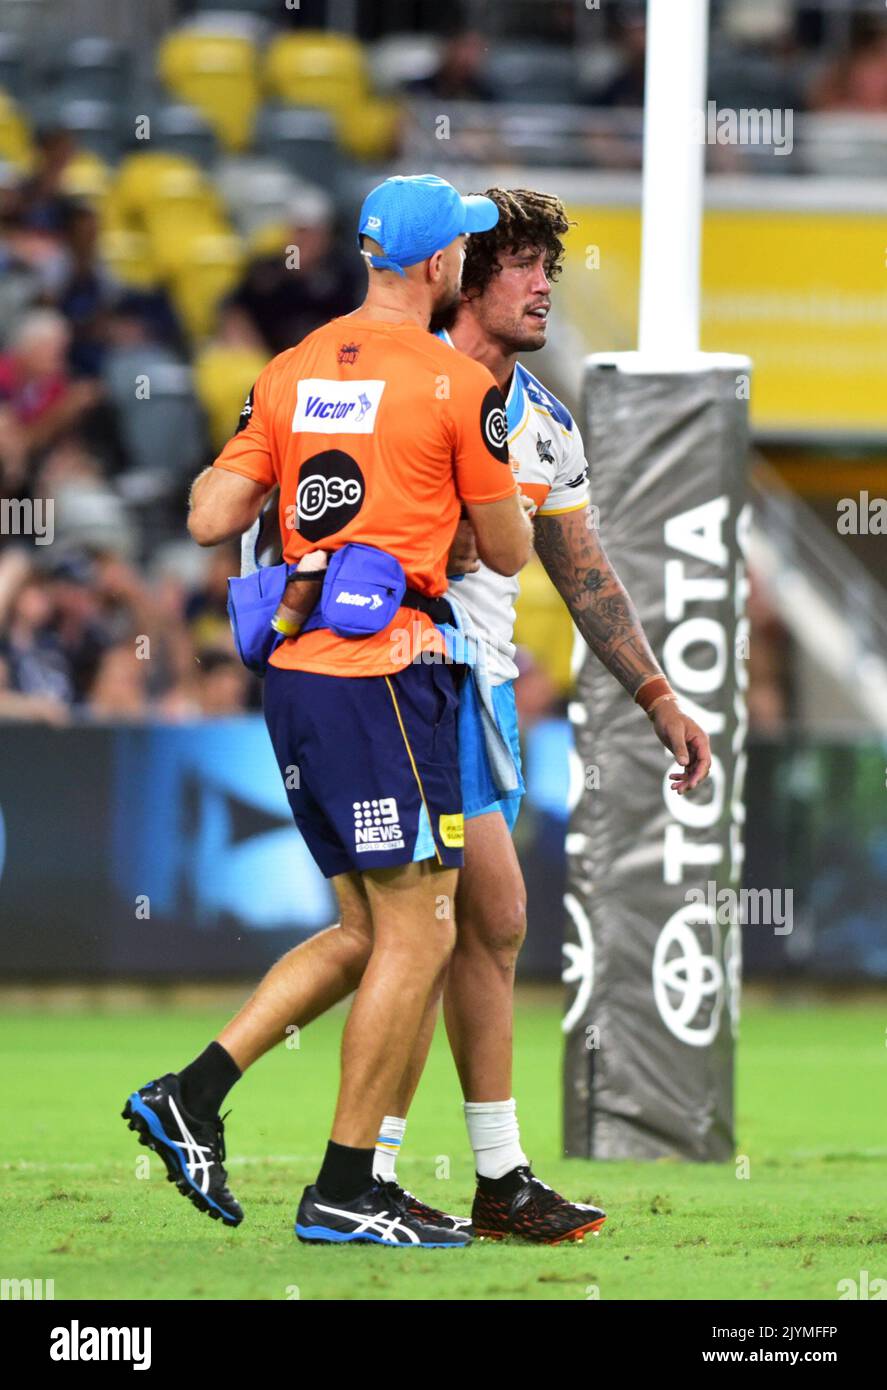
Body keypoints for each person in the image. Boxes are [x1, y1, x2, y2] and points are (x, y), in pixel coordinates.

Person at [122, 174, 532, 1248]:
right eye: (462, 249)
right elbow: (506, 550)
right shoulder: (457, 383)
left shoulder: (291, 368)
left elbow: (210, 513)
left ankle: (192, 1096)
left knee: (368, 930)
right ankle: (348, 1187)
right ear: (439, 264)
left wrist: (312, 509)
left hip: (296, 675)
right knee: (424, 926)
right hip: (385, 673)